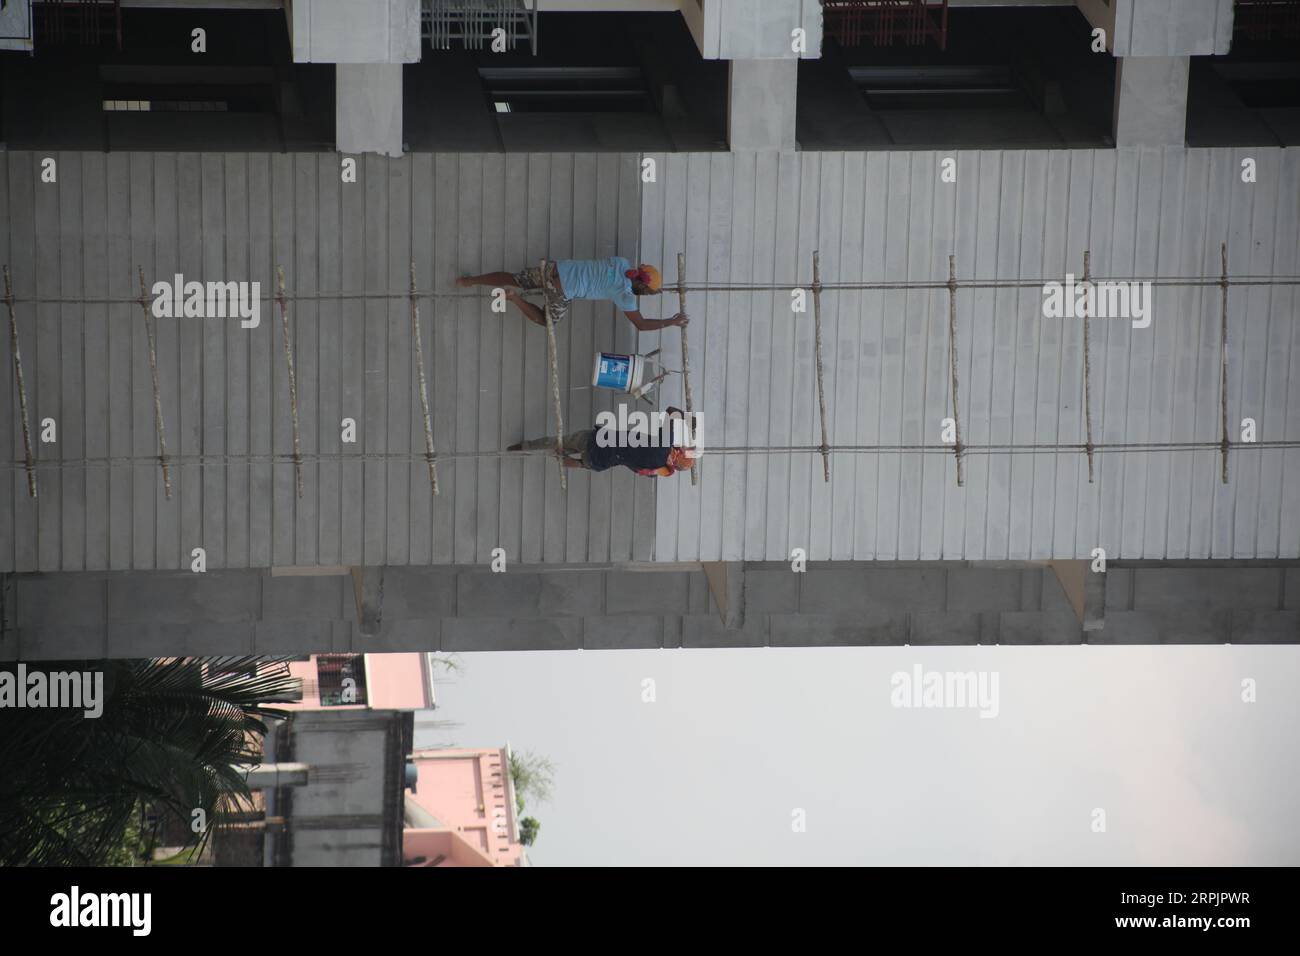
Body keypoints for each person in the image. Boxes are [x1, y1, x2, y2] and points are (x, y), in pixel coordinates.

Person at [457, 256, 688, 332]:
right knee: (547, 321)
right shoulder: (624, 294)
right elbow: (642, 324)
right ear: (640, 284)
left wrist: (649, 287)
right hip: (561, 291)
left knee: (514, 277)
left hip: (555, 269)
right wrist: (672, 321)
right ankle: (514, 298)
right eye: (646, 292)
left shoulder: (621, 262)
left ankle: (470, 280)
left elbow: (629, 278)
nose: (645, 295)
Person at [509, 407, 698, 477]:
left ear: (679, 453)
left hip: (599, 440)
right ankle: (561, 459)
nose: (681, 445)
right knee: (567, 460)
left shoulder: (664, 445)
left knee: (557, 441)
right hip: (600, 462)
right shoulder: (656, 471)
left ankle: (525, 448)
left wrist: (689, 419)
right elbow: (635, 466)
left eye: (683, 447)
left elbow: (671, 411)